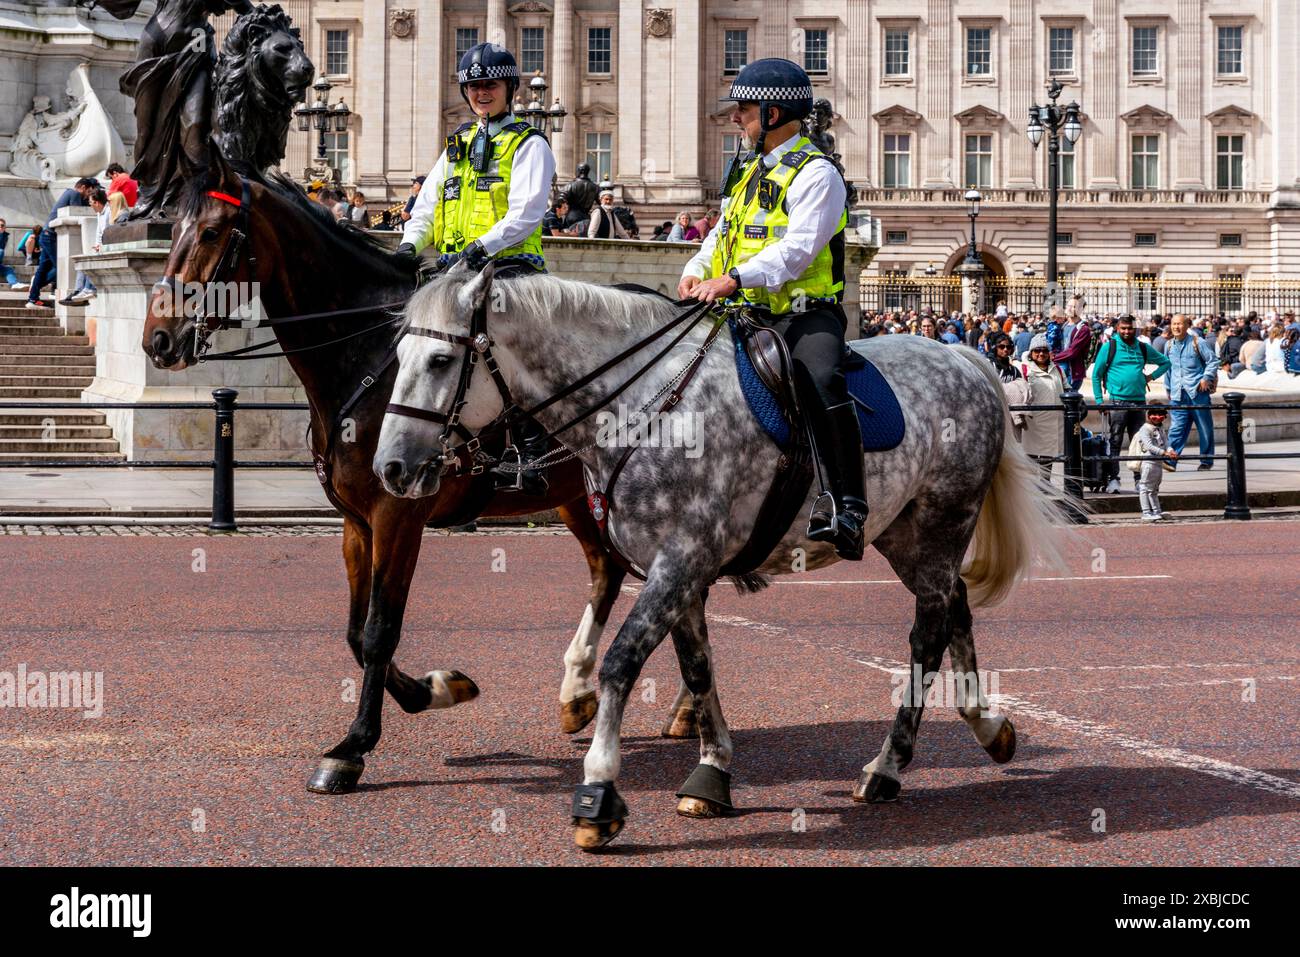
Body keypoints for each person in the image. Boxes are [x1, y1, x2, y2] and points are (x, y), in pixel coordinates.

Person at [678, 58, 865, 560]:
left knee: (822, 380)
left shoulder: (817, 173)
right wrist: (697, 266)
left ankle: (847, 504)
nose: (735, 118)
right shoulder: (748, 170)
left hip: (803, 315)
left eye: (743, 108)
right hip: (746, 312)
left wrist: (735, 278)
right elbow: (723, 232)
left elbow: (799, 249)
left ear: (773, 110)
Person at [398, 39, 555, 493]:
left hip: (509, 269)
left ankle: (531, 453)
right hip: (455, 273)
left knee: (512, 349)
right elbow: (426, 205)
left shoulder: (529, 144)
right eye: (473, 86)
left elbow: (526, 212)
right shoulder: (458, 146)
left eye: (489, 85)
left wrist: (480, 249)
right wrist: (409, 246)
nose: (481, 93)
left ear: (508, 88)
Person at [1093, 314, 1171, 493]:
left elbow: (1165, 363)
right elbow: (1096, 375)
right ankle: (1114, 479)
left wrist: (1150, 377)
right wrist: (1099, 401)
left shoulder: (1142, 347)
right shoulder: (1109, 347)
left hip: (1139, 401)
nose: (1127, 332)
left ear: (1135, 329)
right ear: (1117, 329)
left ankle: (1139, 480)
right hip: (1117, 401)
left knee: (1140, 443)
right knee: (1115, 441)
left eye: (1130, 328)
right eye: (1123, 328)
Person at [27, 177, 97, 310]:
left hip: (46, 235)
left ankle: (33, 297)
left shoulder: (68, 193)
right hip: (51, 236)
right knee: (60, 268)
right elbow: (78, 214)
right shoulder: (75, 194)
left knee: (43, 268)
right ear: (82, 187)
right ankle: (37, 284)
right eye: (89, 191)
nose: (89, 195)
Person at [1163, 314, 1218, 471]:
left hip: (1197, 391)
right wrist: (1168, 388)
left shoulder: (1197, 342)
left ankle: (1206, 461)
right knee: (1176, 428)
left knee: (1204, 428)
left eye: (1179, 324)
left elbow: (1213, 361)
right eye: (1174, 324)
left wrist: (1206, 378)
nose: (1176, 327)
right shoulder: (1168, 346)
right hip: (1177, 393)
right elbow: (1168, 368)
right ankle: (1171, 461)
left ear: (1187, 326)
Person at [1019, 334, 1067, 482]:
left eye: (1044, 350)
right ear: (1031, 353)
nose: (1041, 354)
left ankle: (1045, 483)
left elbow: (1067, 387)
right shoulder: (1025, 370)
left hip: (1054, 421)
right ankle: (1033, 485)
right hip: (1033, 422)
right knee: (1032, 454)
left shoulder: (1057, 369)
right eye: (1037, 351)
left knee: (1048, 454)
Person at [60, 188, 111, 306]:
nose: (90, 206)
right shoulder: (99, 214)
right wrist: (97, 245)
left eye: (90, 203)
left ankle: (89, 289)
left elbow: (112, 232)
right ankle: (78, 291)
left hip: (108, 249)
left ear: (97, 203)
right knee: (82, 261)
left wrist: (102, 246)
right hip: (101, 248)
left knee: (90, 260)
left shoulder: (109, 212)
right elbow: (99, 233)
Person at [1132, 406, 1176, 521]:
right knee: (1145, 488)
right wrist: (1164, 453)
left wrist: (1170, 450)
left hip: (1157, 462)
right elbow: (1149, 446)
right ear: (1148, 415)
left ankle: (1157, 511)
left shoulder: (1160, 428)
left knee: (1154, 489)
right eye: (1154, 414)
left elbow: (1166, 442)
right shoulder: (1145, 429)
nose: (1157, 417)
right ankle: (1146, 512)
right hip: (1148, 462)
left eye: (1161, 414)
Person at [1054, 315, 1092, 391]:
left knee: (1070, 398)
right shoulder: (1063, 326)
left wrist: (1053, 357)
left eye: (1075, 306)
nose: (1071, 308)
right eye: (1069, 305)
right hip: (1059, 368)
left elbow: (1072, 352)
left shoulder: (1083, 329)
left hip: (1072, 372)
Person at [0, 219, 22, 287]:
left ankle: (14, 284)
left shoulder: (5, 236)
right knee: (0, 251)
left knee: (9, 269)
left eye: (2, 225)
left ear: (5, 227)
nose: (0, 227)